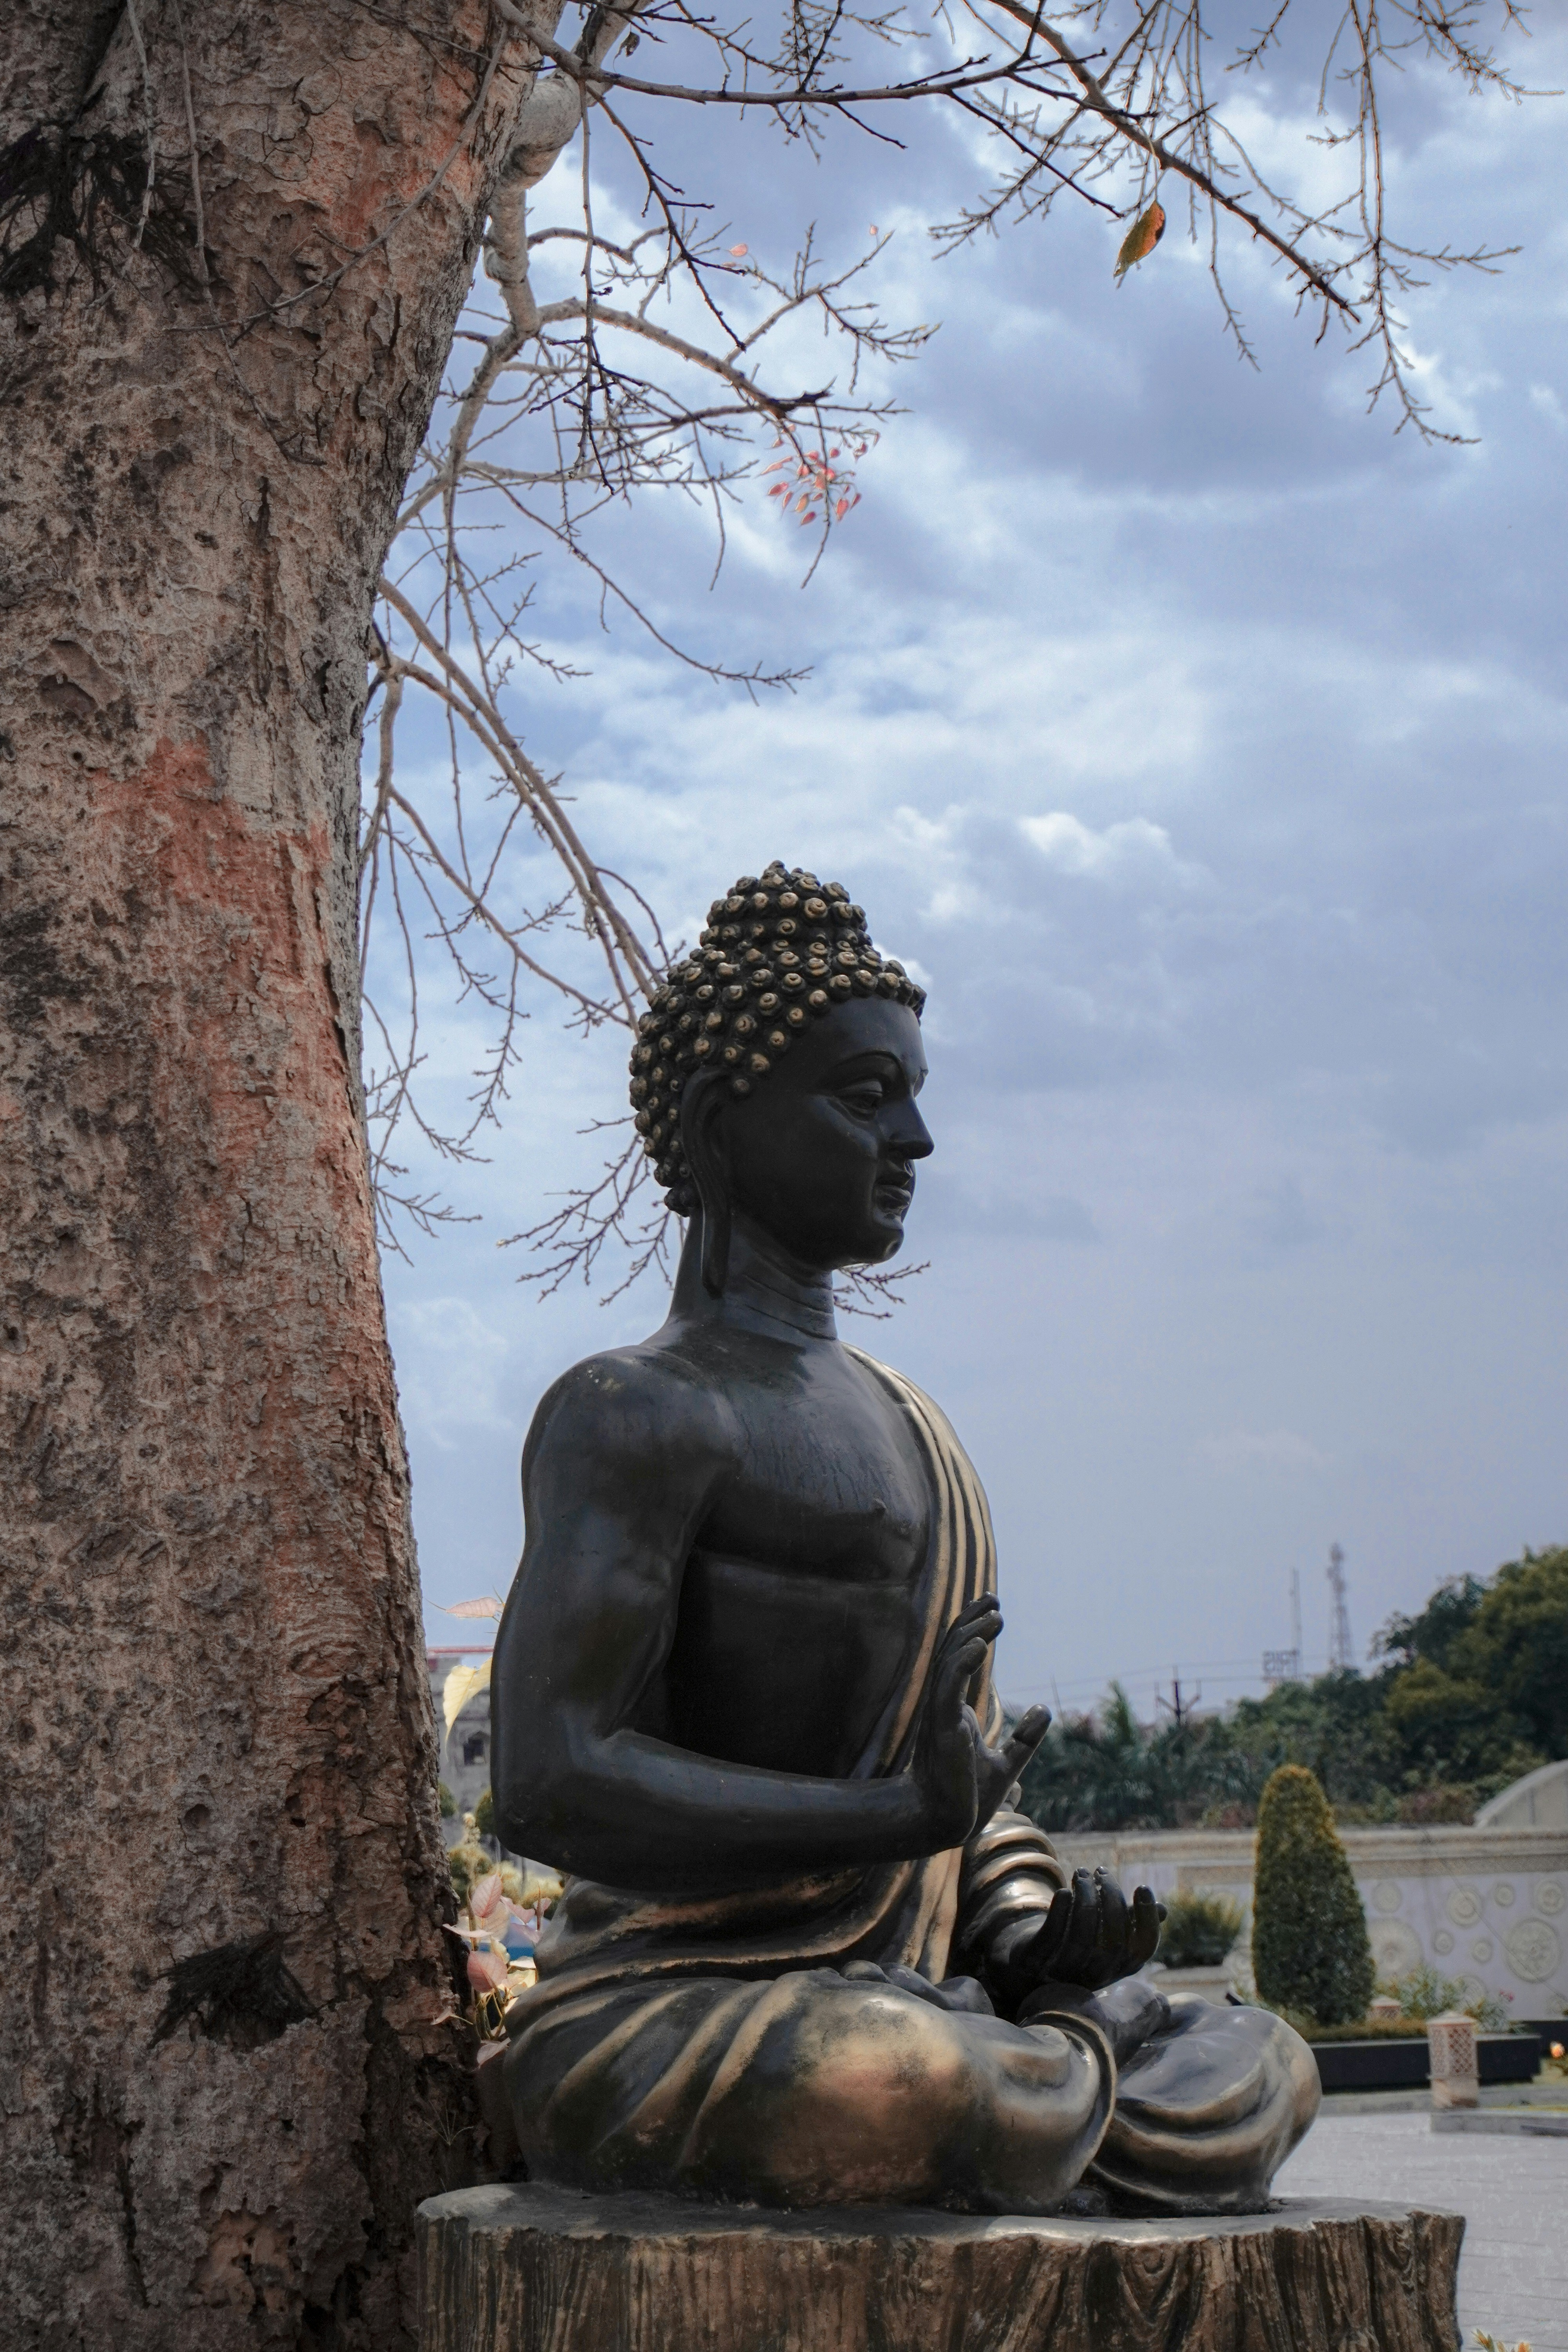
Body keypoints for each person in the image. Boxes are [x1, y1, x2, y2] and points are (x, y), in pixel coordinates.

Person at [491, 863, 1318, 2212]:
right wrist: (882, 1820)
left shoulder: (915, 1426)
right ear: (716, 1126)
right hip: (680, 1999)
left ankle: (1042, 2074)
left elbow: (962, 1785)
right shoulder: (635, 1410)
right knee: (890, 2077)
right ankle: (1036, 2093)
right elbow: (548, 1781)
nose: (917, 1140)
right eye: (867, 1097)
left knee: (1263, 2058)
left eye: (916, 1097)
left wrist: (1031, 1936)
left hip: (909, 1994)